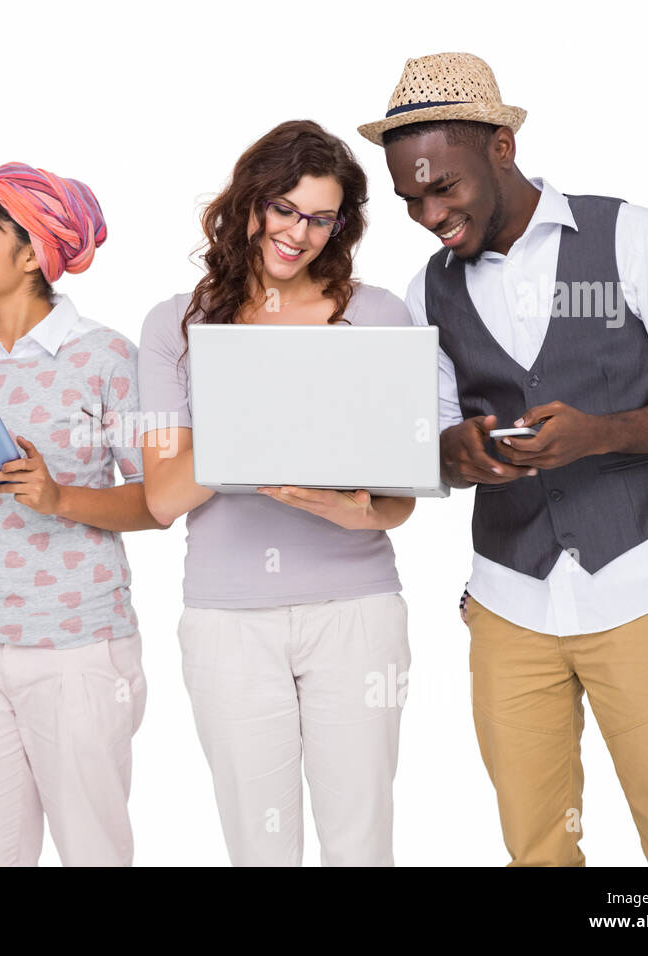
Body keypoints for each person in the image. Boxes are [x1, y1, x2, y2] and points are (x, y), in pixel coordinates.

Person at [359, 51, 648, 866]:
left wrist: (600, 433)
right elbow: (426, 447)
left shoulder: (636, 237)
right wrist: (456, 455)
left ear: (501, 147)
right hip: (507, 605)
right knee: (535, 849)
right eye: (411, 199)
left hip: (636, 589)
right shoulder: (429, 290)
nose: (429, 215)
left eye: (444, 188)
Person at [138, 120, 416, 867]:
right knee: (259, 849)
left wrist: (353, 509)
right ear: (252, 203)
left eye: (320, 217)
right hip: (229, 617)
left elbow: (399, 497)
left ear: (341, 225)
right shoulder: (177, 326)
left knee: (361, 845)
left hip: (355, 608)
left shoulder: (380, 315)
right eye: (285, 209)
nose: (299, 233)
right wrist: (261, 420)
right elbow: (163, 496)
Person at [0, 163, 163, 867]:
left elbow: (156, 502)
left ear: (33, 254)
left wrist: (59, 499)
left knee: (93, 852)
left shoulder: (109, 358)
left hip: (78, 647)